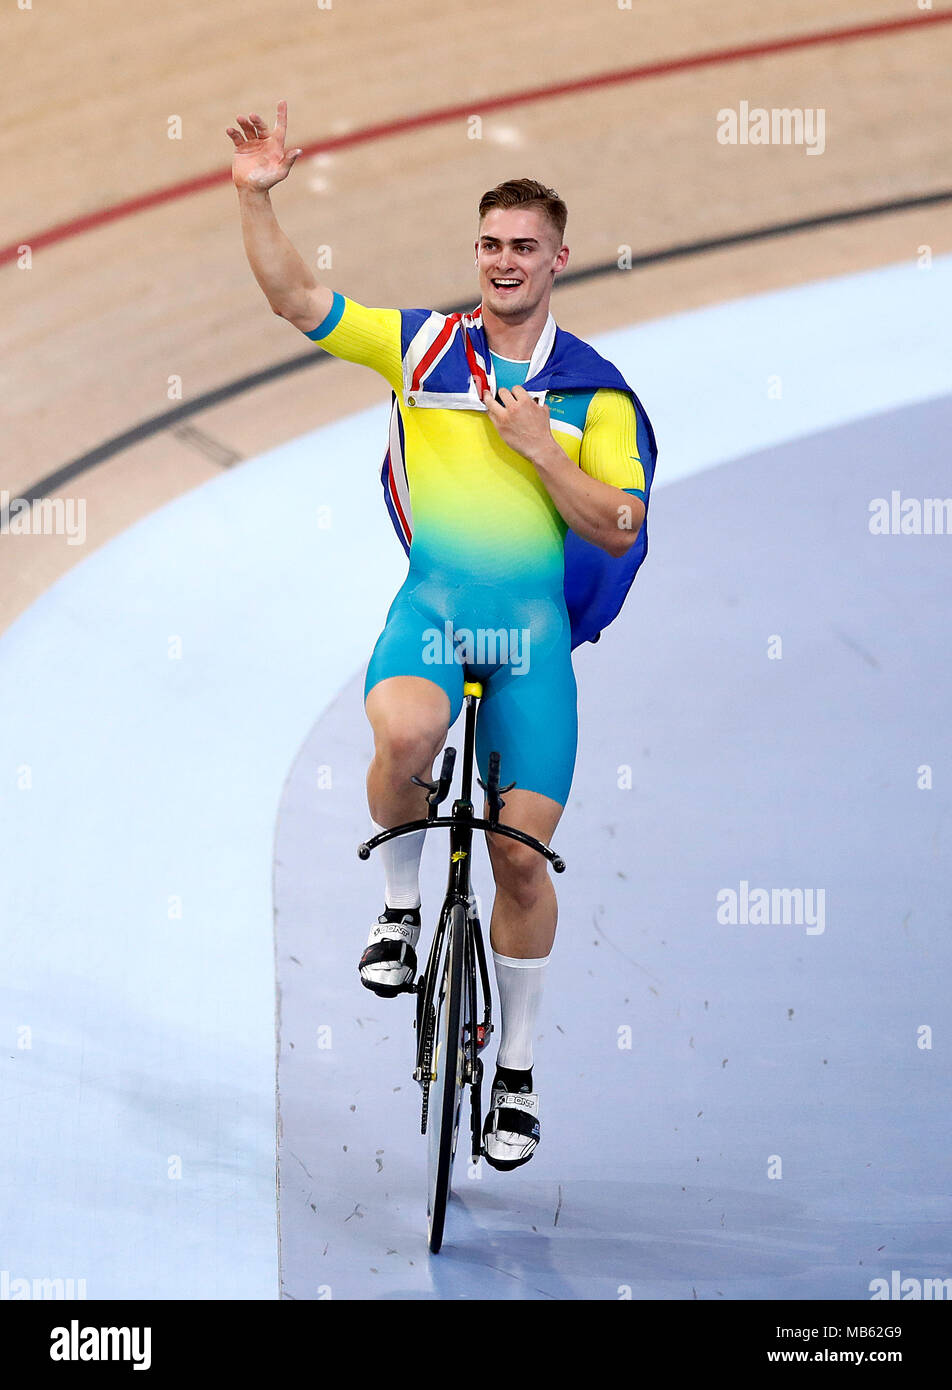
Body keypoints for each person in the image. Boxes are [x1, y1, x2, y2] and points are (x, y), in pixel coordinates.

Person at [228, 101, 656, 1171]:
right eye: (489, 244)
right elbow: (295, 299)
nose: (503, 261)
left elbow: (620, 519)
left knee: (519, 860)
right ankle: (397, 907)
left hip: (532, 645)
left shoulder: (587, 391)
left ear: (559, 260)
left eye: (523, 247)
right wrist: (255, 194)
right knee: (408, 740)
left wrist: (540, 450)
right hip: (429, 618)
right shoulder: (421, 346)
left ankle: (512, 1070)